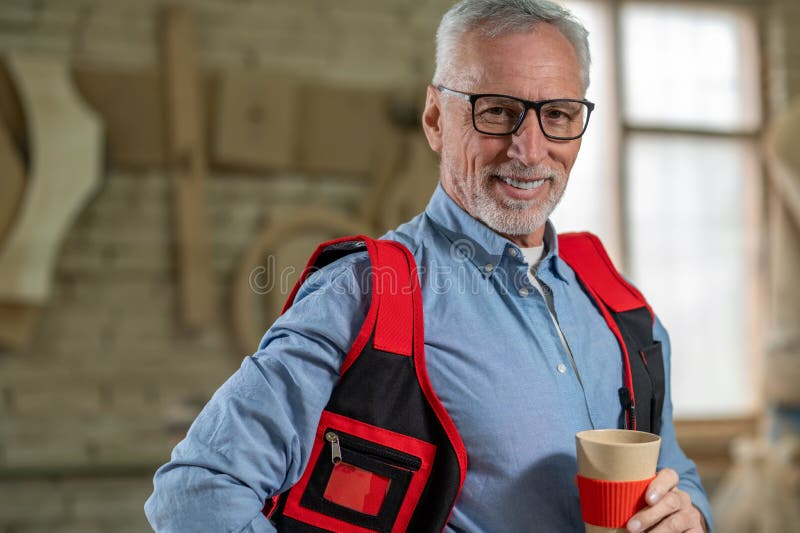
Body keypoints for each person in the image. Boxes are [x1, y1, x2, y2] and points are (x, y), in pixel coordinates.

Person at [145, 0, 713, 531]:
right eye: (497, 111)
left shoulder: (614, 301)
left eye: (558, 115)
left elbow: (675, 469)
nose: (530, 148)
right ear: (436, 118)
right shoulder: (365, 293)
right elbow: (196, 488)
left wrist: (692, 516)